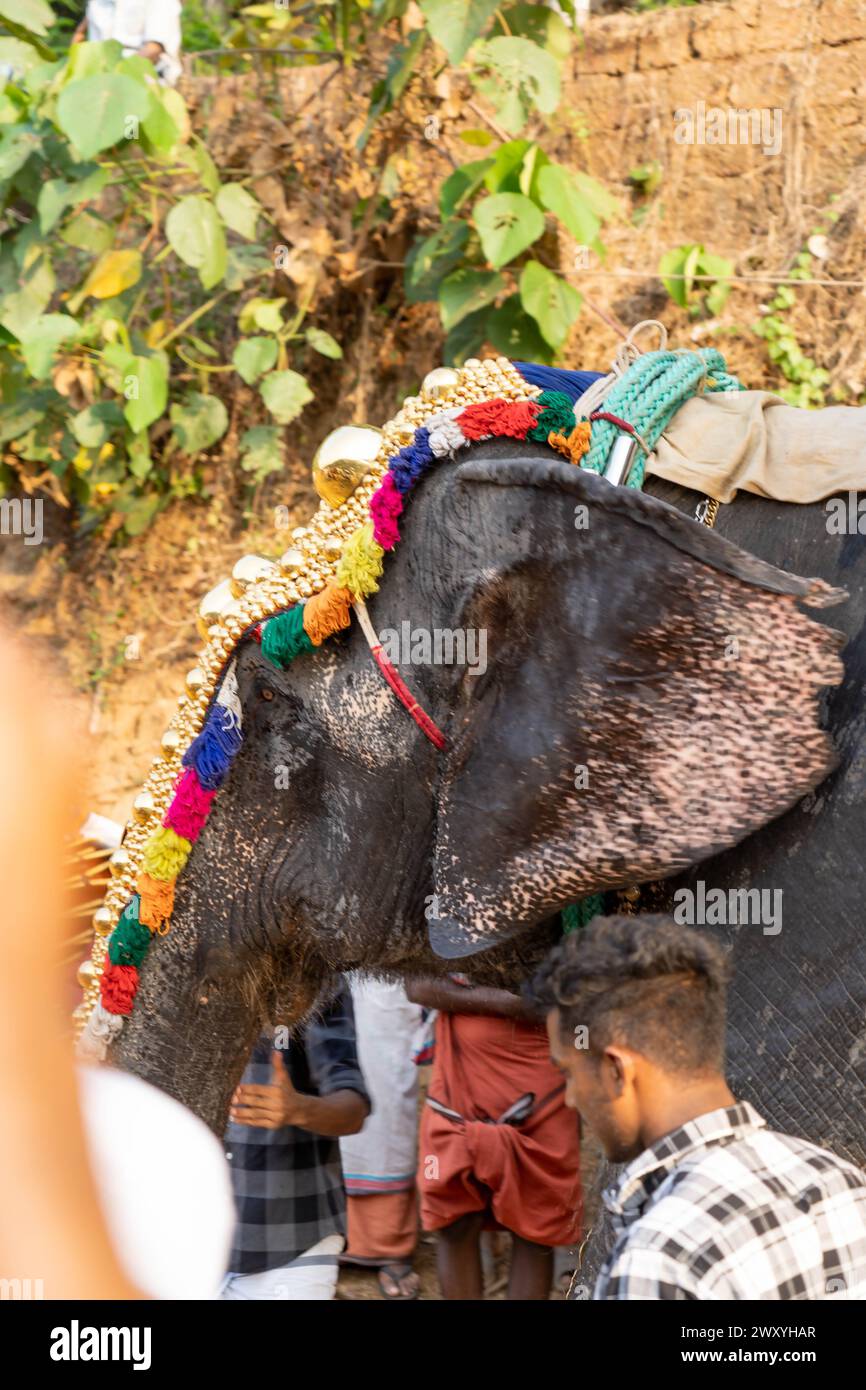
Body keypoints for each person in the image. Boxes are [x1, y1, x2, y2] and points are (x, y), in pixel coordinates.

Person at [529, 914, 866, 1300]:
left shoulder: (658, 1261)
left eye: (570, 1073)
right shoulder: (840, 1182)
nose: (571, 1098)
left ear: (616, 1071)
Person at [406, 974, 582, 1300]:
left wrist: (469, 995)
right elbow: (417, 986)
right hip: (460, 1079)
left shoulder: (565, 924)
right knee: (455, 1220)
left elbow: (579, 995)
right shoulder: (441, 925)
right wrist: (513, 1002)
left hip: (542, 1083)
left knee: (534, 1229)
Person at [222, 988, 370, 1301]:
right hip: (181, 1239)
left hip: (290, 1239)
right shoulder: (147, 958)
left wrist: (296, 1108)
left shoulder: (314, 974)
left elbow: (353, 1110)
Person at [339, 975, 423, 1299]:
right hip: (328, 966)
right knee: (326, 1088)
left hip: (385, 977)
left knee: (387, 1101)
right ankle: (330, 1238)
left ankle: (391, 1244)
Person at [73, 0, 182, 84]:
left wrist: (114, 74)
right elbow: (81, 32)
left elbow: (153, 49)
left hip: (145, 76)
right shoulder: (98, 2)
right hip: (99, 76)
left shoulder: (162, 2)